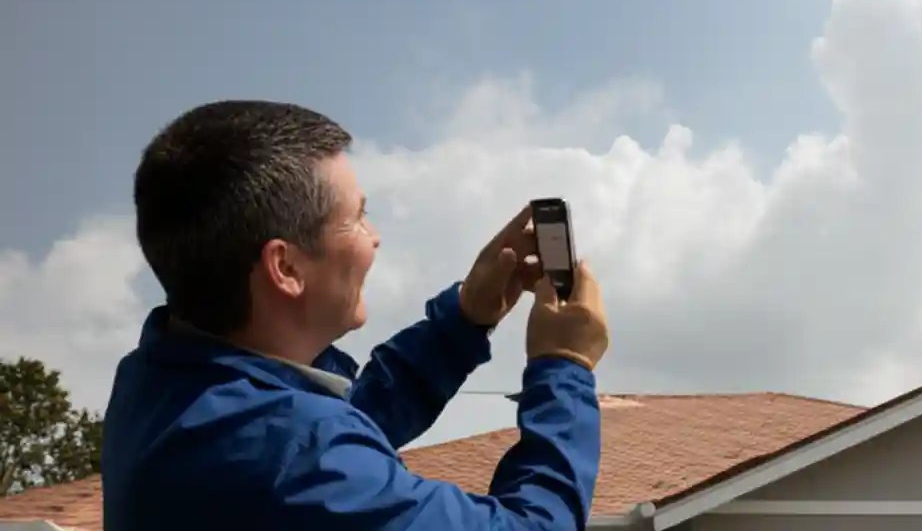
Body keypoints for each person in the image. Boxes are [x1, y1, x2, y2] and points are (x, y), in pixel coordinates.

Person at [101, 100, 610, 530]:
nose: (374, 237)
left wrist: (464, 321)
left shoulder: (165, 387)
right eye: (357, 217)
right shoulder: (293, 457)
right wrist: (563, 367)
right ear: (286, 266)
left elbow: (344, 430)